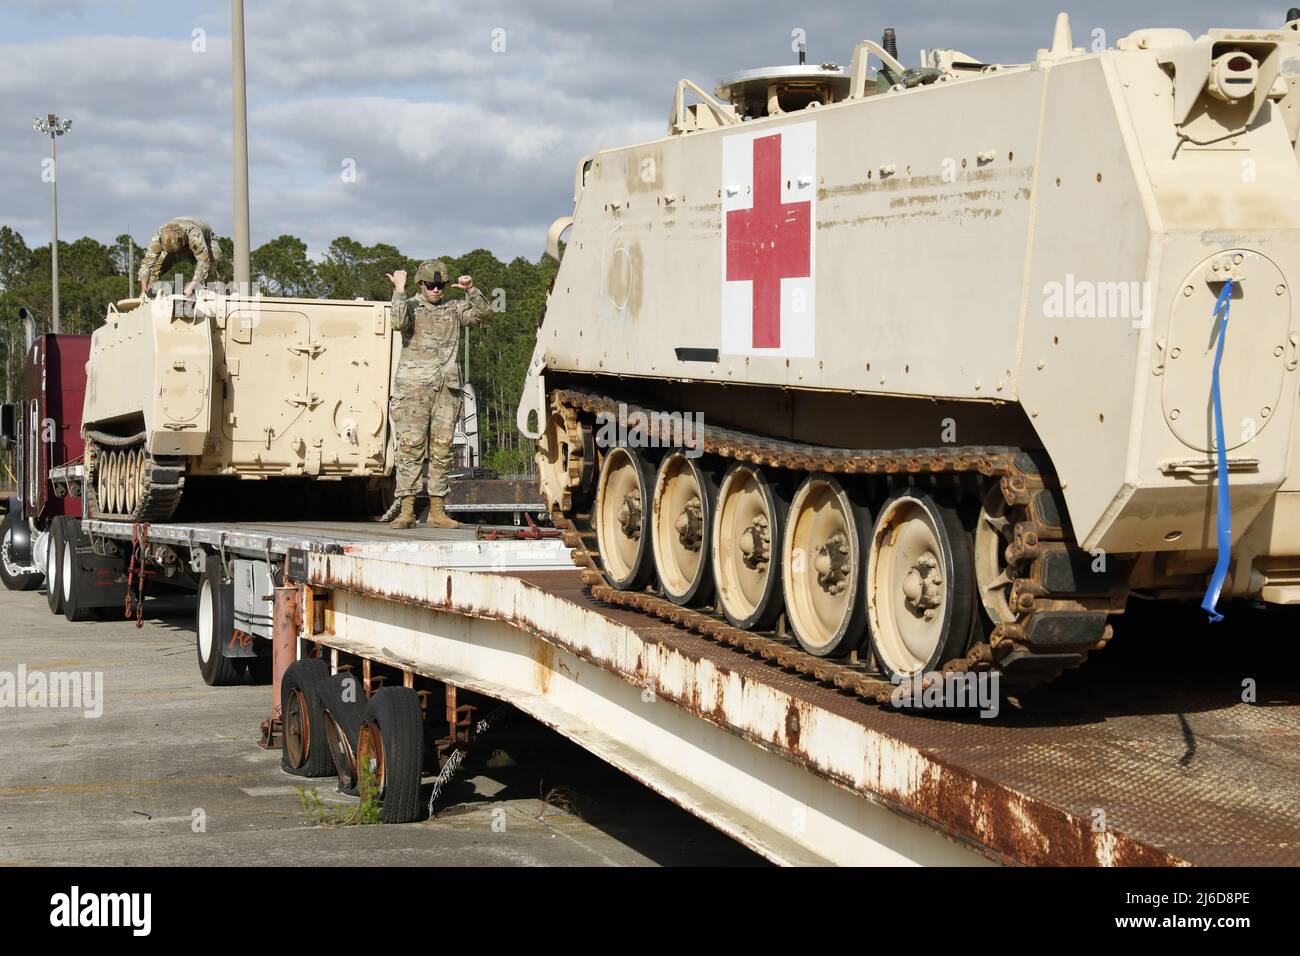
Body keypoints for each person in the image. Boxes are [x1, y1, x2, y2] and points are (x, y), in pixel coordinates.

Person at [386, 259, 491, 529]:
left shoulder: (454, 309)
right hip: (414, 389)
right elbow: (397, 322)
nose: (436, 290)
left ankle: (437, 511)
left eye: (440, 285)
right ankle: (407, 510)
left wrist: (471, 290)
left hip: (447, 388)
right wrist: (398, 289)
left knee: (443, 449)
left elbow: (483, 314)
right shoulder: (409, 305)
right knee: (410, 448)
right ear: (421, 284)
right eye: (431, 285)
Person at [138, 217, 221, 297]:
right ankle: (151, 294)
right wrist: (143, 290)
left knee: (211, 265)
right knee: (155, 267)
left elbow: (203, 261)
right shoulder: (158, 238)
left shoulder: (194, 234)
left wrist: (192, 285)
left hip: (206, 240)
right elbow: (146, 264)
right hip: (179, 244)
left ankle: (210, 293)